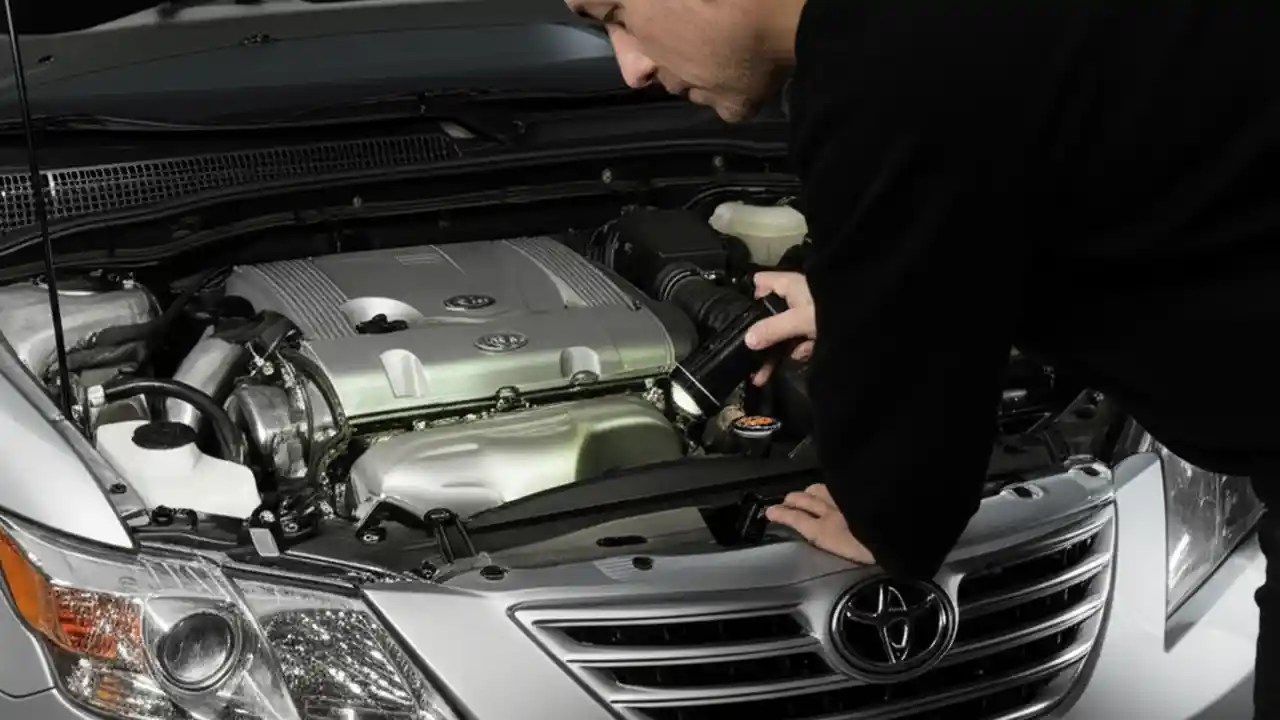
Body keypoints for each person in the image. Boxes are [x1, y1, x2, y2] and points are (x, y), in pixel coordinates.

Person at [566, 0, 1280, 715]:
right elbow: (1059, 187)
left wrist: (882, 514)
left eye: (615, 13)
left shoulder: (875, 59)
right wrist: (864, 298)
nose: (630, 67)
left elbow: (907, 500)